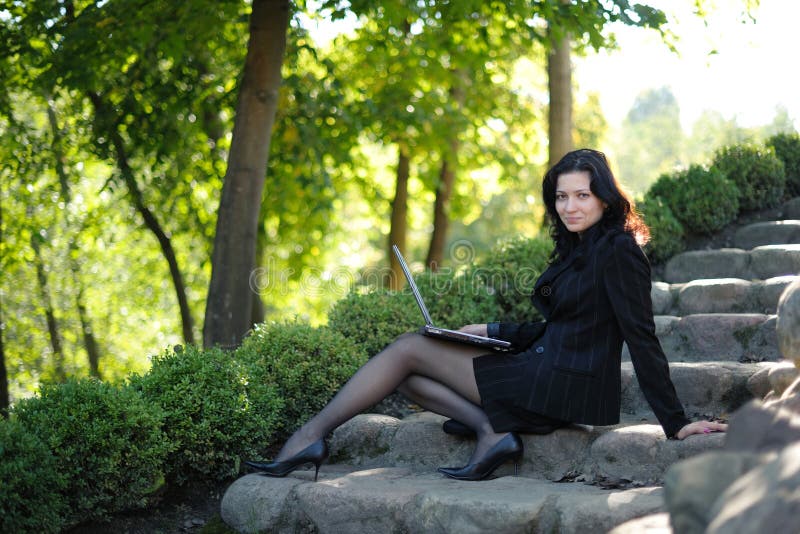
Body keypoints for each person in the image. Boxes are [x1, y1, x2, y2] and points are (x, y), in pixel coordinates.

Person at [246, 148, 727, 482]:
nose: (570, 206)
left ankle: (309, 435)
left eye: (581, 195)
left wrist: (675, 421)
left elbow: (641, 338)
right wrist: (490, 332)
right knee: (410, 378)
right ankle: (491, 431)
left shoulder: (619, 250)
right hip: (548, 367)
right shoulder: (581, 249)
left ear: (604, 196)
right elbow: (564, 325)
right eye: (561, 197)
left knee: (410, 349)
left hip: (565, 384)